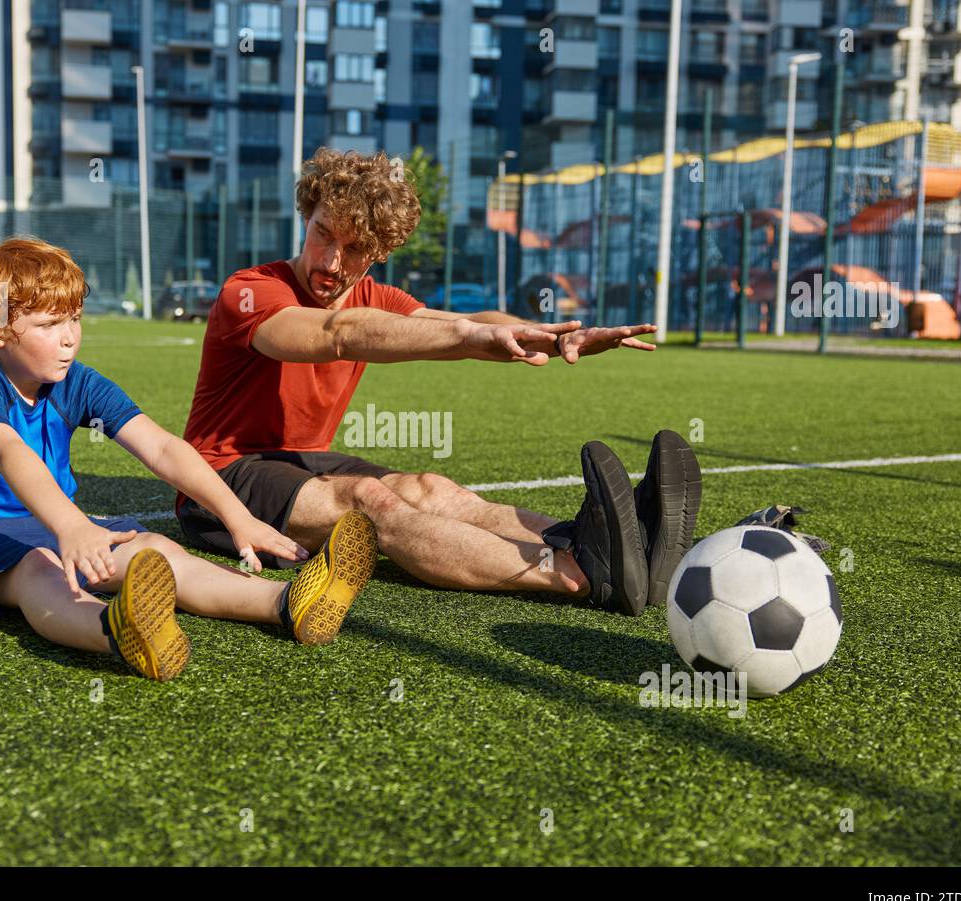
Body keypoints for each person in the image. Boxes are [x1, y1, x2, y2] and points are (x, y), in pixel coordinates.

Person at [175, 148, 702, 616]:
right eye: (323, 234)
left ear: (379, 252)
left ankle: (603, 542)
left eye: (356, 248)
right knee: (370, 502)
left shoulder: (376, 297)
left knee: (432, 488)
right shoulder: (250, 291)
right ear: (305, 217)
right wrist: (467, 338)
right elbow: (337, 334)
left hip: (302, 459)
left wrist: (549, 334)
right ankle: (577, 574)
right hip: (221, 475)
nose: (334, 262)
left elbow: (461, 322)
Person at [0, 237, 378, 683]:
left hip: (50, 523)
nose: (70, 338)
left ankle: (290, 601)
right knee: (39, 569)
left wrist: (239, 518)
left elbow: (161, 447)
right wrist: (72, 527)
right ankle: (117, 629)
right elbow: (8, 452)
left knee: (154, 548)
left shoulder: (75, 381)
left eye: (74, 319)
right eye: (49, 325)